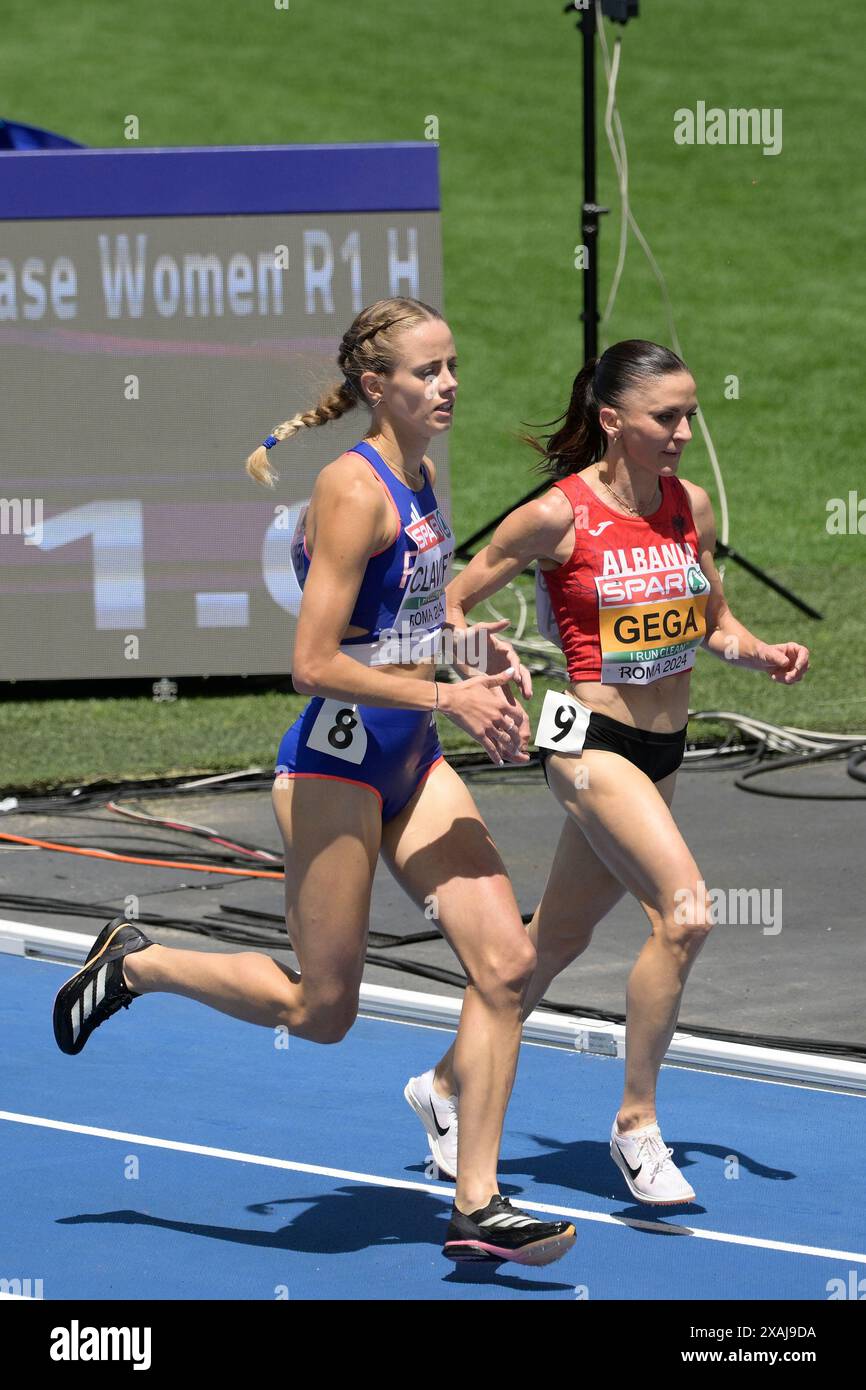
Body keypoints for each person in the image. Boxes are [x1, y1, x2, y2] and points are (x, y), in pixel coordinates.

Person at [52, 296, 575, 1267]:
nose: (448, 382)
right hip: (335, 767)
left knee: (503, 965)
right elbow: (314, 659)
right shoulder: (354, 486)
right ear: (376, 385)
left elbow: (399, 627)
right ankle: (137, 963)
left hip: (406, 757)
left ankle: (477, 1199)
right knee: (320, 1012)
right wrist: (450, 698)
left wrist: (467, 650)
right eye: (427, 371)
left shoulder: (419, 475)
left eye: (452, 365)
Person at [407, 338, 809, 1205]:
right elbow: (444, 603)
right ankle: (635, 1125)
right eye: (666, 417)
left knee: (546, 946)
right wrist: (483, 660)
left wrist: (761, 652)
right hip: (587, 743)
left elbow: (713, 624)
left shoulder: (688, 508)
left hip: (664, 751)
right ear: (613, 419)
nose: (682, 432)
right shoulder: (558, 515)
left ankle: (442, 1087)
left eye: (690, 416)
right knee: (686, 912)